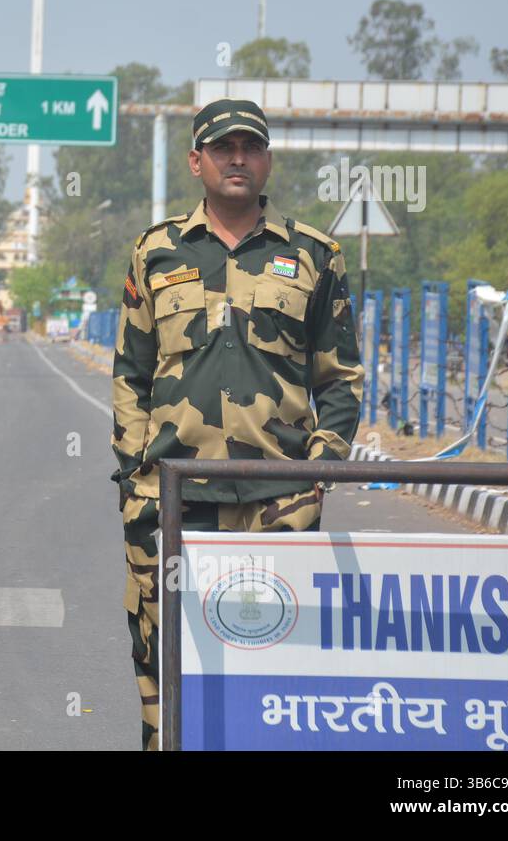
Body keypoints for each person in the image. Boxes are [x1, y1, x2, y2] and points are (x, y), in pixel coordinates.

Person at [111, 98, 364, 750]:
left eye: (251, 146)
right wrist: (136, 476)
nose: (238, 158)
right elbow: (130, 375)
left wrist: (319, 472)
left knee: (272, 674)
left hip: (276, 501)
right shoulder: (156, 252)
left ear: (267, 159)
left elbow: (340, 379)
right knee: (165, 665)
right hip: (171, 500)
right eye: (223, 148)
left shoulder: (314, 255)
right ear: (197, 160)